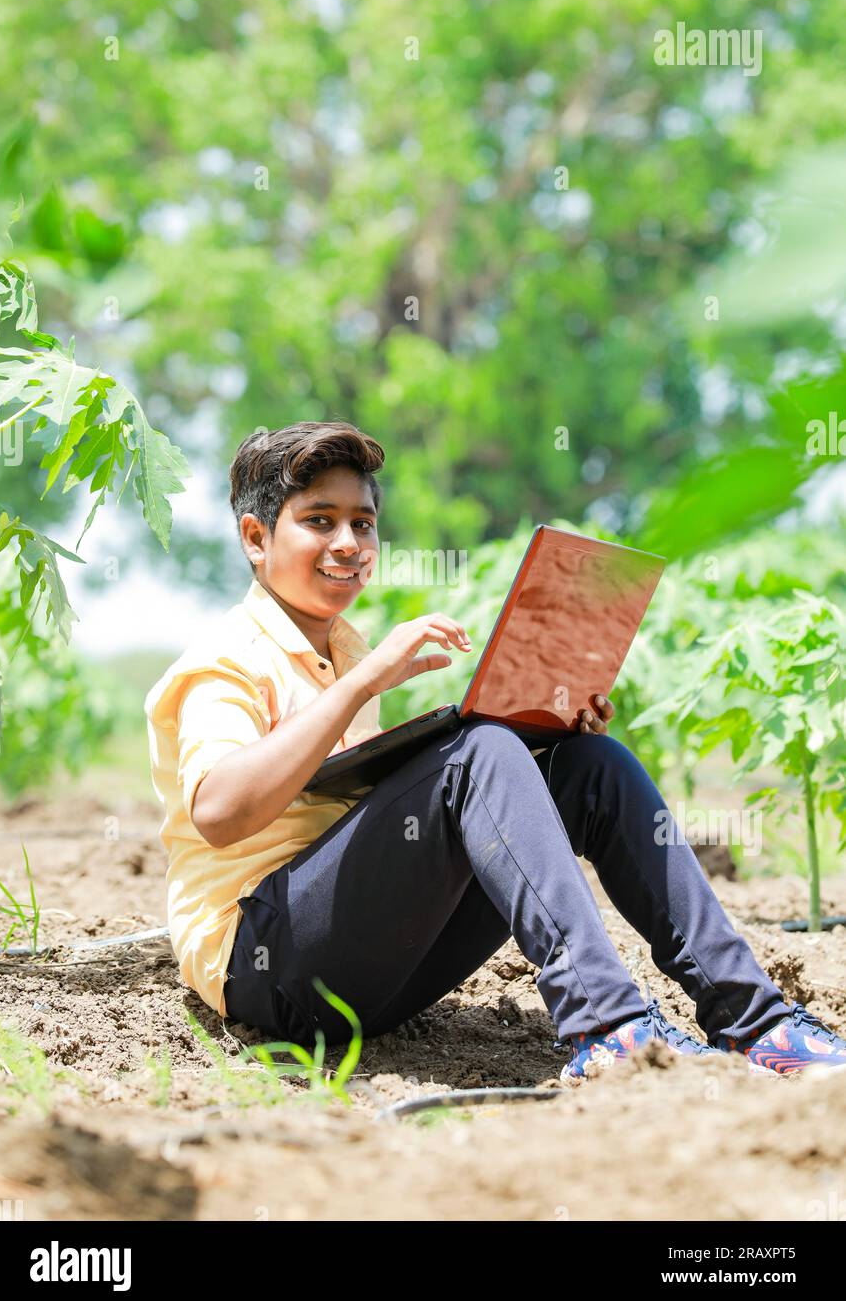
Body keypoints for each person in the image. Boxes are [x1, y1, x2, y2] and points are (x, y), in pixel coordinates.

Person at [144, 420, 846, 1086]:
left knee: (586, 767)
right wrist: (365, 687)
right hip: (267, 969)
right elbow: (221, 811)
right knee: (475, 753)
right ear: (256, 538)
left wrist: (546, 727)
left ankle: (753, 1020)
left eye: (363, 523)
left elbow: (350, 813)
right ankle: (611, 1029)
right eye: (320, 521)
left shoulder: (340, 648)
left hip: (366, 980)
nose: (349, 542)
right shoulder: (225, 661)